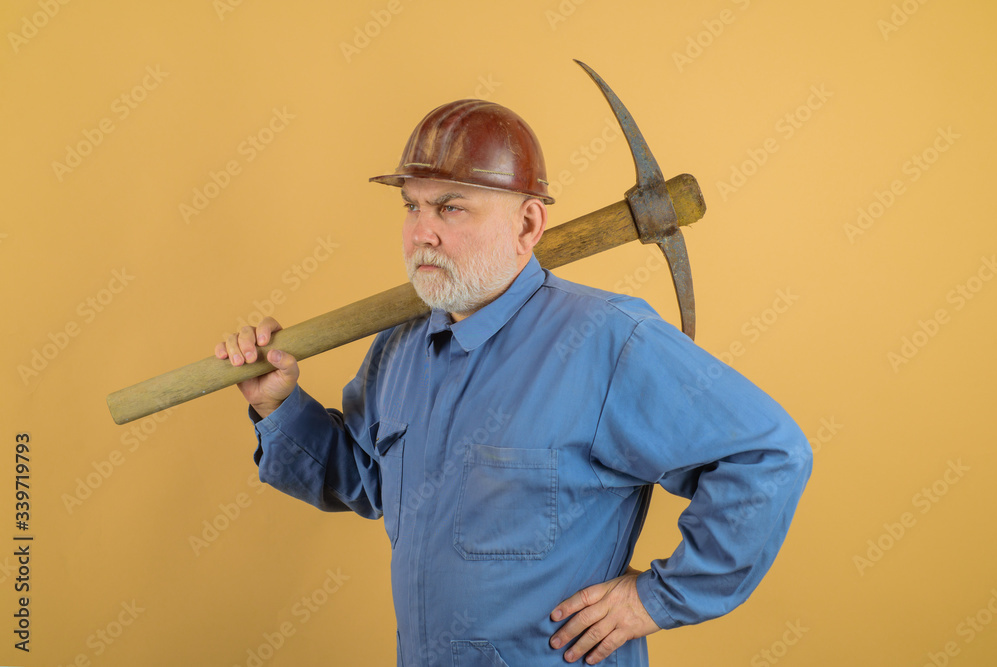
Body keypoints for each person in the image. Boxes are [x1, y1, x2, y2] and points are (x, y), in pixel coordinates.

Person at [216, 99, 811, 666]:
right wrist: (279, 406)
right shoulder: (400, 348)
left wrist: (657, 599)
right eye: (412, 207)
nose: (422, 233)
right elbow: (366, 480)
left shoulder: (606, 340)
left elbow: (768, 455)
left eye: (450, 208)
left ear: (528, 223)